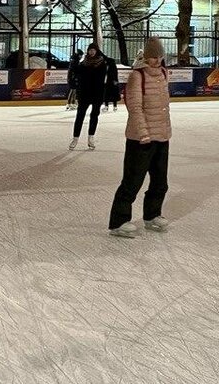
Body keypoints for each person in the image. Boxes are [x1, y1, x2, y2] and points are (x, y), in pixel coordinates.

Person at [108, 37, 172, 238]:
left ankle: (152, 215)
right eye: (153, 57)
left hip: (161, 136)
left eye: (159, 56)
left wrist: (165, 131)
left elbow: (163, 107)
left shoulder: (163, 74)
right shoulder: (137, 76)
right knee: (132, 181)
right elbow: (135, 107)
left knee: (160, 181)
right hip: (141, 139)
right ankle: (119, 221)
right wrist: (144, 133)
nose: (156, 60)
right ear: (146, 56)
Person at [69, 44, 109, 150]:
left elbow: (101, 78)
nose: (91, 52)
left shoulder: (102, 64)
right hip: (84, 93)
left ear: (96, 51)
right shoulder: (83, 63)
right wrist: (74, 61)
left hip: (97, 93)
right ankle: (75, 138)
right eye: (90, 50)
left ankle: (91, 137)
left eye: (93, 50)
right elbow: (76, 72)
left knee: (94, 115)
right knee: (80, 115)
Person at [66, 47, 83, 111]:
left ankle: (70, 104)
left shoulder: (74, 61)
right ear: (79, 55)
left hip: (72, 78)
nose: (81, 57)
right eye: (81, 56)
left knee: (73, 91)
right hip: (73, 79)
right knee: (73, 91)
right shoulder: (75, 61)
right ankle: (71, 104)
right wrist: (75, 78)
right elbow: (75, 70)